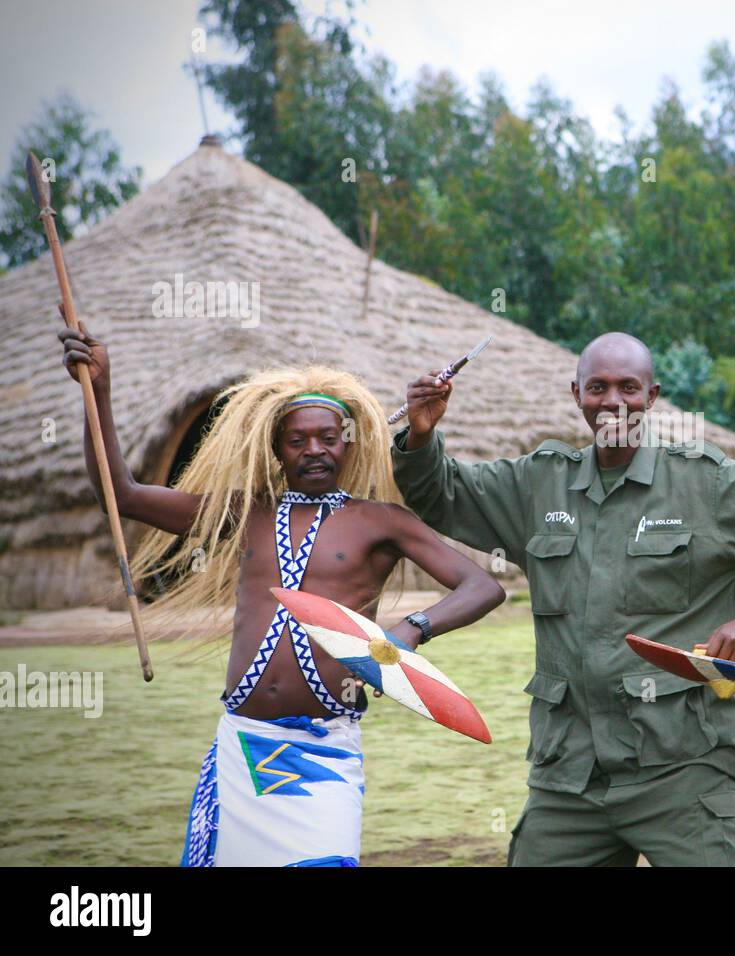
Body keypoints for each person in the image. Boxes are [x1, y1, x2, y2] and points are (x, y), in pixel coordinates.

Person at [391, 331, 735, 866]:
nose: (614, 401)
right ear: (576, 393)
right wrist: (421, 437)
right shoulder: (537, 485)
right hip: (568, 777)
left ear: (652, 396)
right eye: (599, 387)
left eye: (629, 388)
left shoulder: (703, 484)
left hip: (683, 769)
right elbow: (441, 495)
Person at [59, 322, 504, 867]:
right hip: (243, 745)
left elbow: (483, 586)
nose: (314, 451)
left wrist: (408, 632)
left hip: (327, 749)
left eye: (327, 438)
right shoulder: (244, 513)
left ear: (348, 443)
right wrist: (97, 392)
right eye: (297, 441)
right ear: (276, 449)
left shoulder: (381, 521)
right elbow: (122, 494)